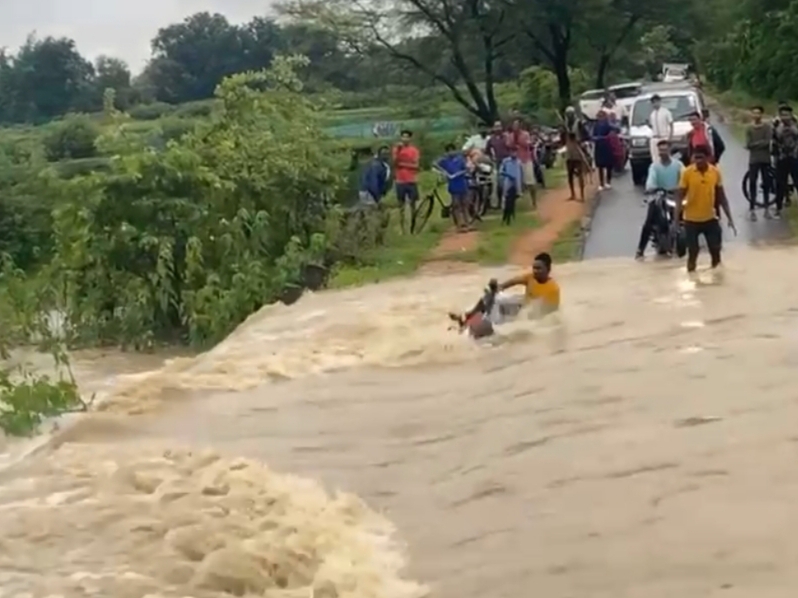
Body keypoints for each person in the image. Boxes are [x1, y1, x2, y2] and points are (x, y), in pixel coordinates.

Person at [450, 252, 560, 338]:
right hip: (523, 303)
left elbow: (551, 312)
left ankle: (489, 326)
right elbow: (513, 281)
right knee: (492, 295)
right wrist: (499, 288)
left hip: (529, 312)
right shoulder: (530, 277)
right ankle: (469, 316)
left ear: (548, 269)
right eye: (534, 268)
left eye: (539, 268)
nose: (535, 271)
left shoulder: (553, 289)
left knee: (497, 303)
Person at [673, 145, 736, 273]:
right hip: (691, 220)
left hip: (710, 219)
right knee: (693, 253)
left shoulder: (715, 172)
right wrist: (675, 221)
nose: (698, 161)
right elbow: (679, 197)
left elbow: (722, 197)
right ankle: (692, 278)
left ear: (708, 158)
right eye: (696, 158)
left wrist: (730, 218)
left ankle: (718, 279)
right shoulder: (687, 173)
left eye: (701, 158)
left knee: (716, 251)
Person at [636, 139, 684, 259]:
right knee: (649, 221)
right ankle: (640, 249)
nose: (663, 152)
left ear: (670, 150)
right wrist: (652, 187)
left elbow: (685, 176)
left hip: (675, 197)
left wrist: (681, 186)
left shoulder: (678, 165)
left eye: (665, 149)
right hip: (659, 196)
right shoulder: (654, 167)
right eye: (660, 150)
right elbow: (651, 181)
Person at [745, 105, 773, 220]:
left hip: (765, 159)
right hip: (754, 160)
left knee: (766, 183)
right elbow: (748, 144)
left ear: (762, 114)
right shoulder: (749, 128)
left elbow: (767, 142)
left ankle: (767, 208)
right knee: (752, 183)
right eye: (754, 113)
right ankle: (752, 209)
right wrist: (759, 144)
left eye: (758, 113)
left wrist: (755, 145)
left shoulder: (767, 127)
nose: (756, 115)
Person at [434, 144, 470, 231]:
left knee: (464, 203)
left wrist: (460, 173)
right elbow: (435, 164)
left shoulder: (460, 160)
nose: (451, 152)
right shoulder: (445, 161)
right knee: (456, 204)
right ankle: (459, 224)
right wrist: (444, 173)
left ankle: (467, 222)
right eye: (449, 151)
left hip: (462, 182)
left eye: (452, 150)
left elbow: (466, 169)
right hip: (453, 183)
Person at [772, 104, 798, 216]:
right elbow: (774, 140)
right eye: (782, 115)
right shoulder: (777, 126)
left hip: (795, 157)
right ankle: (778, 208)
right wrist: (775, 155)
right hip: (782, 158)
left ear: (791, 115)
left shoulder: (796, 125)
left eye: (786, 115)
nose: (784, 117)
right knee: (780, 184)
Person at [392, 129, 420, 233]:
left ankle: (413, 226)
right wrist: (398, 152)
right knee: (401, 205)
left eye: (407, 137)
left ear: (410, 138)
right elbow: (394, 163)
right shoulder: (396, 149)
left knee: (413, 204)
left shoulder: (414, 150)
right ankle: (402, 228)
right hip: (400, 180)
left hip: (411, 180)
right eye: (403, 136)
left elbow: (416, 165)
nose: (405, 139)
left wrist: (402, 164)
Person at [508, 119, 537, 208]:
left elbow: (528, 144)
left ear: (520, 126)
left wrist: (523, 143)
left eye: (516, 125)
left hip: (526, 159)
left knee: (530, 182)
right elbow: (508, 145)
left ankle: (534, 201)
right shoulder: (511, 136)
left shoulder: (525, 134)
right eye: (514, 125)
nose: (515, 127)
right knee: (513, 183)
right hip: (515, 161)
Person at [592, 110, 618, 190]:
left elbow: (616, 129)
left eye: (602, 116)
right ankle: (601, 183)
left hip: (607, 146)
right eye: (599, 116)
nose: (600, 118)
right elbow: (593, 135)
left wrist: (610, 135)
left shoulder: (608, 125)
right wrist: (595, 138)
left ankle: (608, 181)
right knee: (600, 166)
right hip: (599, 146)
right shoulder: (596, 126)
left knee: (609, 165)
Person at [499, 146, 523, 224]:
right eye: (512, 152)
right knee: (506, 198)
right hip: (508, 181)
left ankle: (512, 214)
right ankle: (505, 214)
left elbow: (521, 173)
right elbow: (501, 171)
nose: (514, 153)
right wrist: (508, 175)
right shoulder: (506, 161)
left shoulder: (519, 162)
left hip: (517, 182)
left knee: (514, 199)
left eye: (515, 152)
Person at [648, 94, 673, 164]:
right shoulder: (652, 114)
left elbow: (671, 125)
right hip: (655, 138)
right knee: (655, 158)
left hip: (664, 137)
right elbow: (652, 126)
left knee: (665, 156)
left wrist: (670, 137)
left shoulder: (666, 112)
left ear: (659, 101)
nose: (655, 104)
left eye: (656, 102)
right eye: (653, 102)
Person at [564, 131, 588, 201]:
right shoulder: (572, 142)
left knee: (577, 177)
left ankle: (579, 195)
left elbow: (581, 153)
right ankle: (576, 195)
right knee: (572, 177)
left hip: (575, 159)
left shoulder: (575, 143)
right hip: (572, 159)